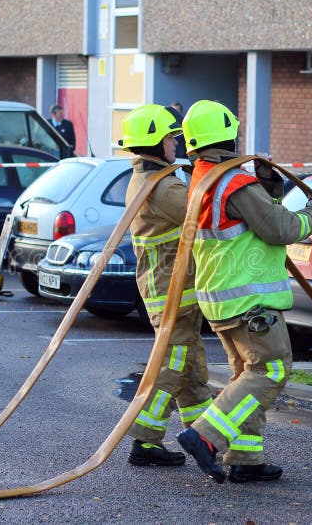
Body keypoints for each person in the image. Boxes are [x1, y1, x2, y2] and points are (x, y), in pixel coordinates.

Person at [175, 100, 312, 484]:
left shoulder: (206, 177)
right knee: (271, 369)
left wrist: (269, 186)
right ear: (229, 133)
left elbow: (254, 218)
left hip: (221, 300)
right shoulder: (236, 182)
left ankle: (245, 458)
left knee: (246, 372)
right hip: (249, 302)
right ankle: (205, 437)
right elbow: (280, 228)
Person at [119, 104, 213, 467]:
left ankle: (203, 437)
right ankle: (145, 440)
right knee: (173, 366)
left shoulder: (148, 179)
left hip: (171, 292)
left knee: (192, 371)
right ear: (157, 143)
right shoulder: (162, 186)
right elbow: (203, 209)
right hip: (174, 295)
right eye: (172, 138)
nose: (177, 143)